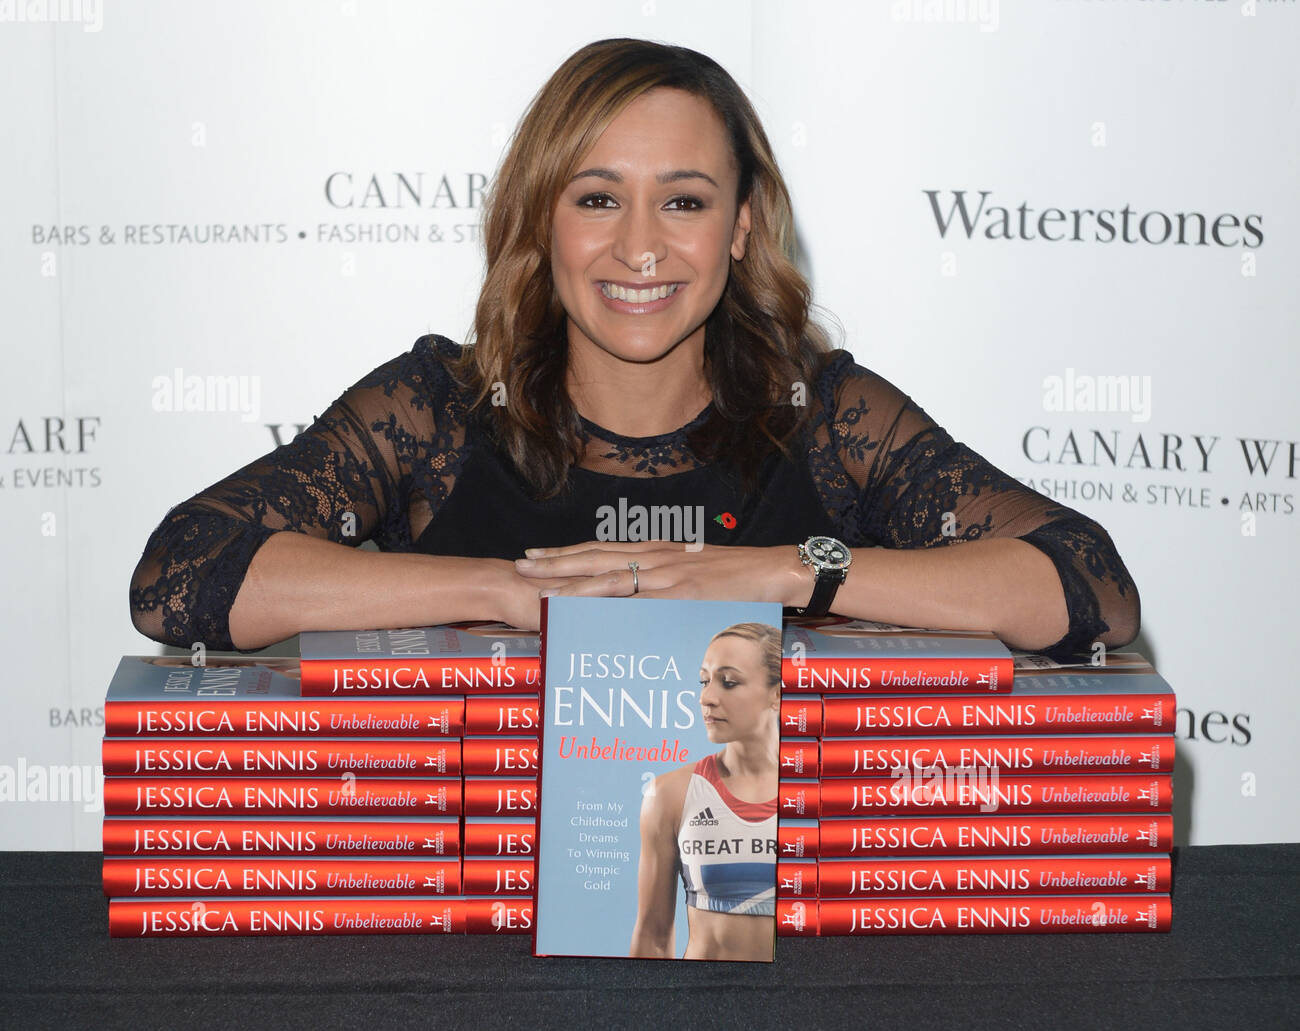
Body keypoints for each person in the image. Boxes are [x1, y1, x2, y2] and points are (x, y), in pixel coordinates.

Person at [128, 38, 1140, 655]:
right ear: (544, 219)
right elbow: (181, 573)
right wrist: (500, 592)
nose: (641, 247)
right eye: (599, 197)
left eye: (685, 201)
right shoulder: (438, 407)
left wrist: (785, 574)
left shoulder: (822, 415)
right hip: (469, 932)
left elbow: (1085, 583)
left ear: (741, 226)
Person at [629, 623, 780, 961]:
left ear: (778, 693)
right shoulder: (668, 794)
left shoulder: (813, 793)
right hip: (698, 1003)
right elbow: (652, 938)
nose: (706, 698)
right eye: (704, 681)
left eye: (728, 682)